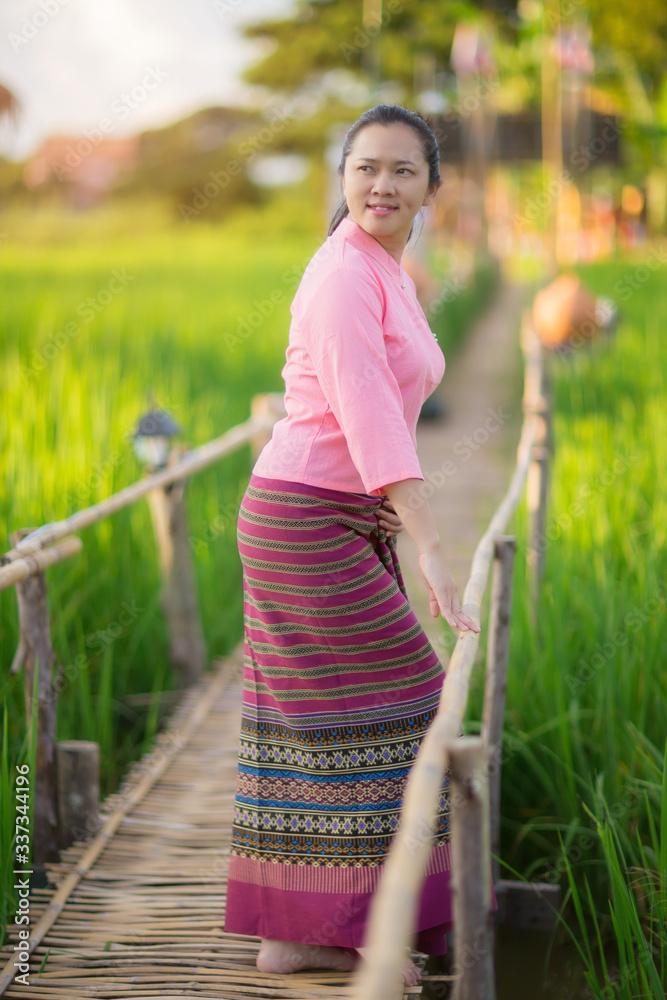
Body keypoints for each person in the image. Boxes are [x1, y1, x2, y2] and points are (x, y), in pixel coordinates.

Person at [223, 104, 480, 988]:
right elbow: (369, 417)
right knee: (405, 712)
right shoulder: (341, 276)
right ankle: (372, 929)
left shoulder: (389, 270)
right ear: (342, 177)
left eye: (402, 170)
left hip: (343, 517)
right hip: (303, 519)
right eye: (364, 166)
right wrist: (432, 548)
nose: (381, 184)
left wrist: (395, 536)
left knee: (322, 727)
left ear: (430, 191)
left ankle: (294, 934)